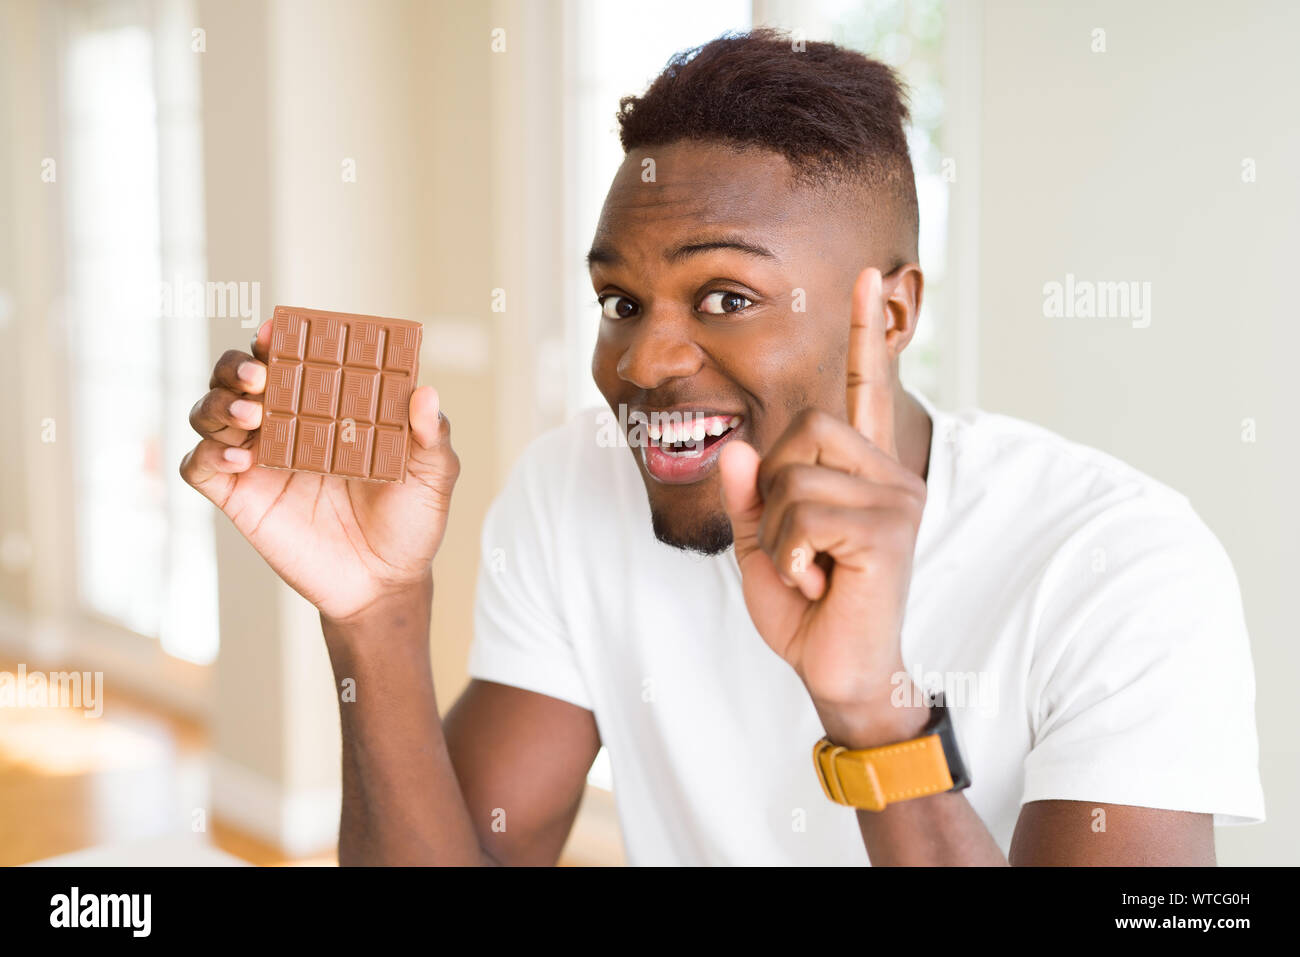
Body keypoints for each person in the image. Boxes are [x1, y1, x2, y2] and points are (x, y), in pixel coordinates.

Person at [180, 30, 1264, 865]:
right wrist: (373, 617)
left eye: (726, 295)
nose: (642, 362)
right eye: (618, 299)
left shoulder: (1120, 561)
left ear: (886, 315)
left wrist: (874, 716)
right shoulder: (574, 489)